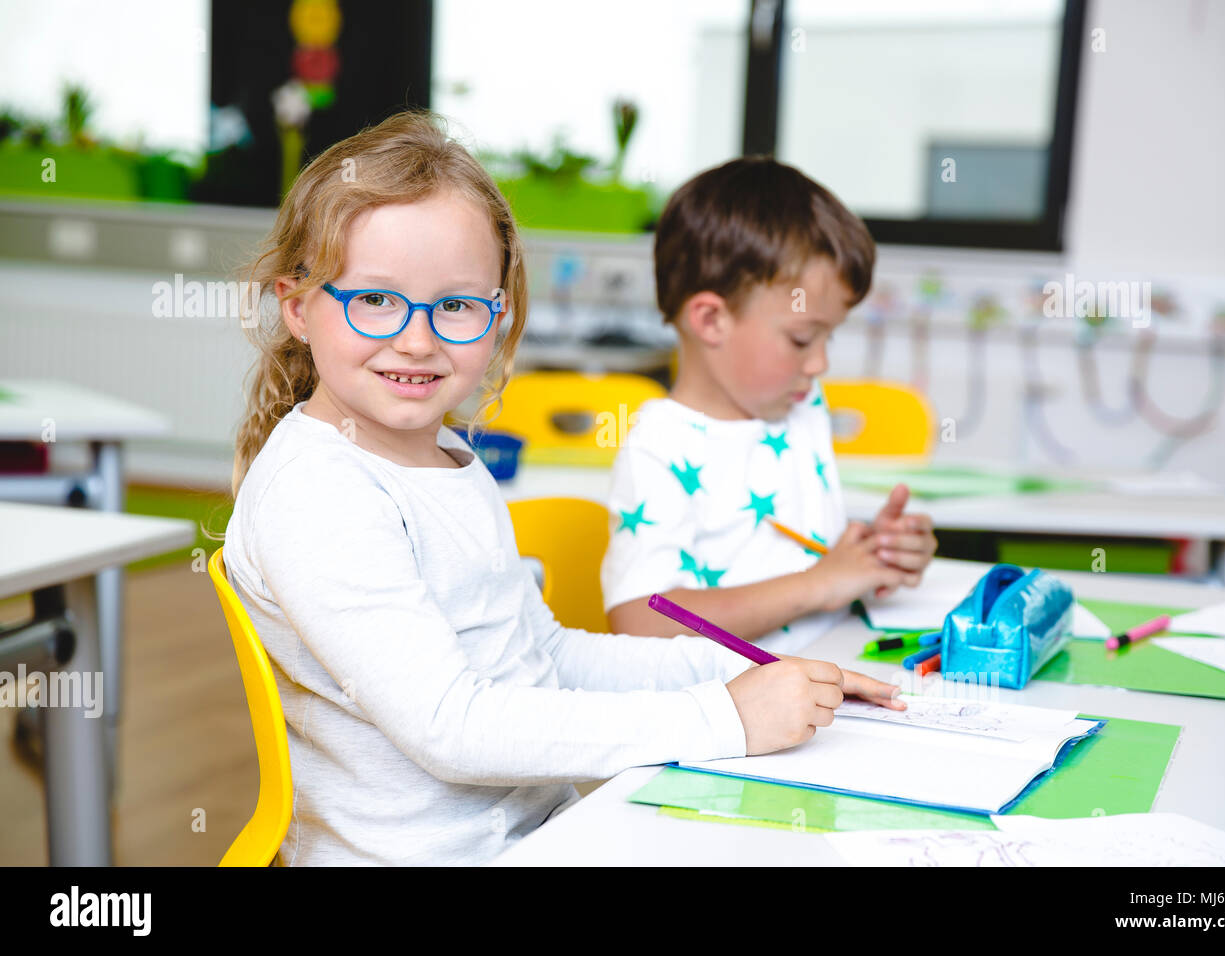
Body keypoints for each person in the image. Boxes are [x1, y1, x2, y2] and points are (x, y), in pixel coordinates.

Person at [219, 112, 905, 865]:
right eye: (376, 300)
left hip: (543, 836)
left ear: (498, 313)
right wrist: (723, 717)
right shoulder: (318, 491)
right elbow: (453, 726)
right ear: (296, 306)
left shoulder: (447, 458)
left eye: (455, 305)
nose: (417, 339)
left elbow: (540, 654)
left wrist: (746, 670)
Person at [603, 157, 938, 653]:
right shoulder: (658, 446)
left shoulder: (800, 406)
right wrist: (822, 585)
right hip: (735, 711)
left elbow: (783, 550)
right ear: (712, 320)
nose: (820, 363)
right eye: (802, 339)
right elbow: (640, 620)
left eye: (829, 337)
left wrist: (874, 554)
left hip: (829, 673)